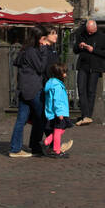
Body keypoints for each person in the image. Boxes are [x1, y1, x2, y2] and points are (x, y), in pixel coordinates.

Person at [9, 26, 57, 158]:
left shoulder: (26, 50)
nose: (43, 41)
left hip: (25, 88)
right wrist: (44, 50)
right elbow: (41, 67)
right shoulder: (31, 51)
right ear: (37, 39)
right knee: (42, 117)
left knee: (23, 119)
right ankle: (52, 145)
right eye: (42, 39)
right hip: (32, 88)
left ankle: (16, 148)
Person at [73, 19, 105, 126]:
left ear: (95, 28)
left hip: (95, 67)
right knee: (81, 89)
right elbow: (75, 50)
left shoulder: (102, 37)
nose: (89, 33)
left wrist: (93, 50)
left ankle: (87, 115)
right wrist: (79, 46)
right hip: (83, 65)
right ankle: (85, 115)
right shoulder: (81, 34)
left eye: (91, 32)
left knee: (90, 91)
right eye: (88, 31)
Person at [42, 62, 74, 158]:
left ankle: (47, 142)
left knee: (61, 129)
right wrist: (59, 112)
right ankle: (56, 150)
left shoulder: (51, 83)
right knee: (58, 129)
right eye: (64, 72)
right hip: (59, 112)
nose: (66, 74)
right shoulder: (57, 86)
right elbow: (57, 100)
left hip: (54, 112)